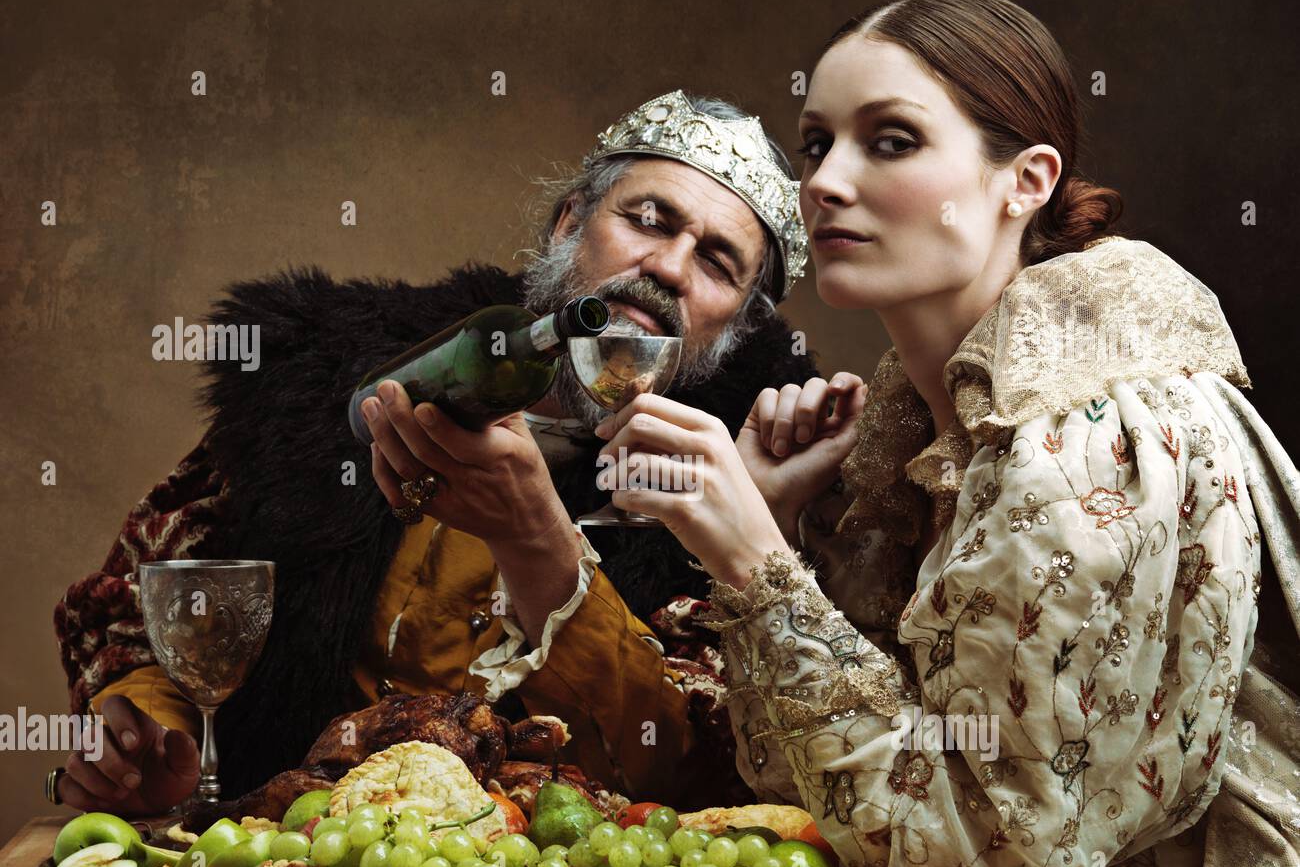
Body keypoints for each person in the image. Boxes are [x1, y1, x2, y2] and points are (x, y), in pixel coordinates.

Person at [593, 0, 1300, 867]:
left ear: (1024, 180)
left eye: (889, 141)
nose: (826, 183)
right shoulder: (925, 439)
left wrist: (753, 558)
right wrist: (783, 524)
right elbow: (837, 795)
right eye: (816, 144)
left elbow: (954, 862)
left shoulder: (1093, 442)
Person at [51, 90, 827, 816]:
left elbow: (684, 773)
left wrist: (536, 537)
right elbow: (143, 598)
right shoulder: (338, 371)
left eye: (718, 263)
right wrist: (152, 731)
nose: (668, 268)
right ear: (567, 224)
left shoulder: (730, 491)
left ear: (735, 330)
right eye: (650, 220)